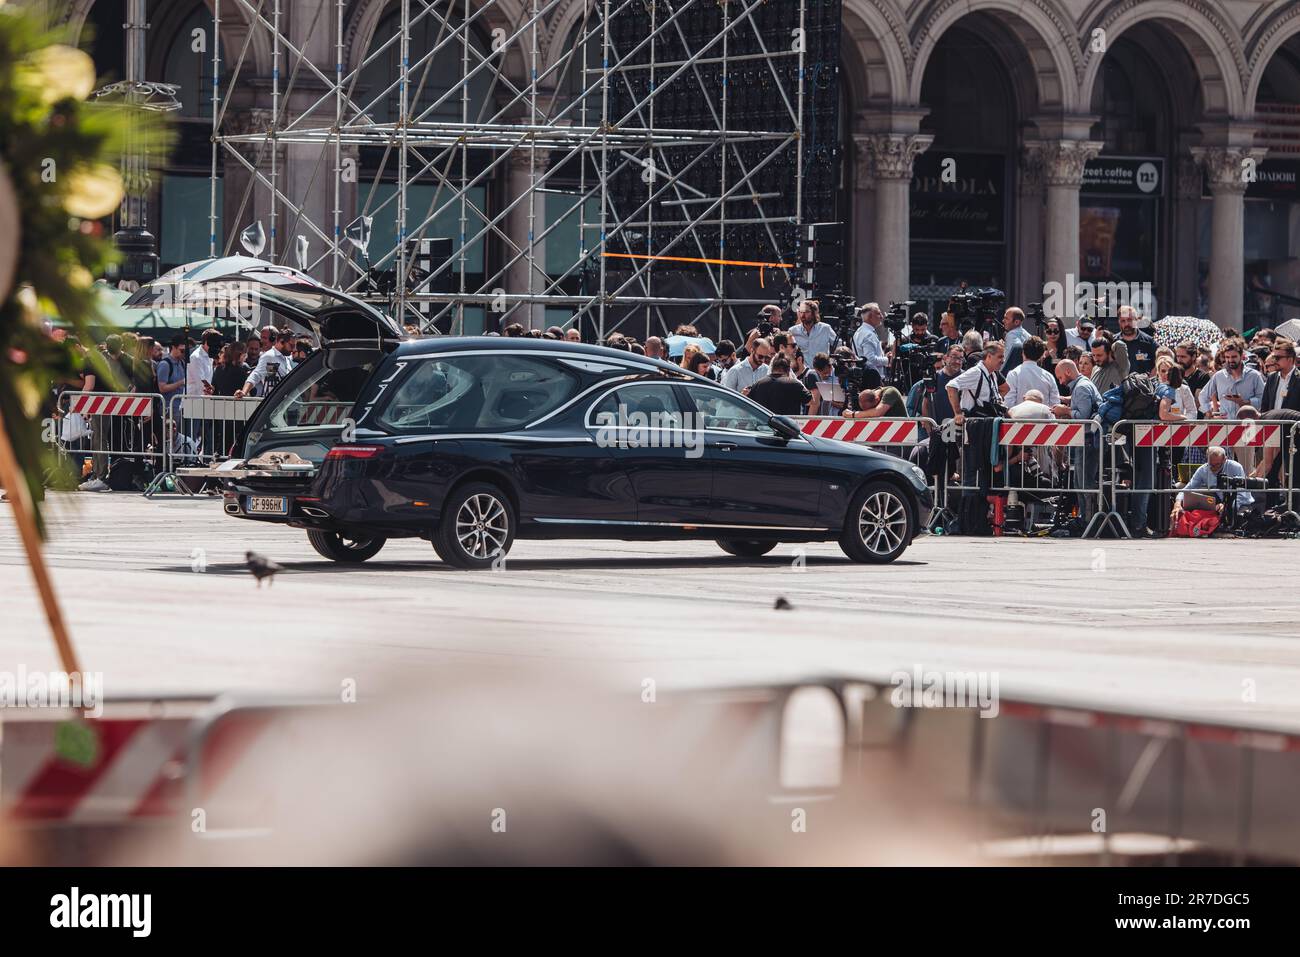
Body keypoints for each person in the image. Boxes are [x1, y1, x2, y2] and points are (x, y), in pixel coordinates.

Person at [1172, 446, 1253, 529]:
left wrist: (1227, 506)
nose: (1213, 468)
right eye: (1211, 464)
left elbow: (1242, 494)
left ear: (1225, 459)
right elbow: (1187, 489)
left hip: (1239, 502)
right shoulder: (1203, 469)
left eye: (1217, 464)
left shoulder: (1236, 467)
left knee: (1232, 512)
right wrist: (1178, 503)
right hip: (1218, 501)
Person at [1199, 338, 1264, 419]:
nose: (1230, 360)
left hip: (1247, 423)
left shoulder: (1254, 376)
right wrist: (1209, 413)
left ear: (1242, 356)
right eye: (1227, 357)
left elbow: (1263, 400)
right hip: (1225, 425)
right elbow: (1203, 396)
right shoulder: (1219, 376)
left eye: (1234, 357)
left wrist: (1245, 402)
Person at [235, 330, 296, 398]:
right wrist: (244, 392)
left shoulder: (286, 358)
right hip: (274, 403)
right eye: (291, 345)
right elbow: (256, 375)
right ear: (281, 341)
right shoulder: (269, 356)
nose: (293, 349)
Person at [744, 355, 810, 416]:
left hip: (763, 426)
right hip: (787, 426)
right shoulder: (795, 384)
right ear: (788, 370)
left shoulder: (758, 384)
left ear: (772, 368)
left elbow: (746, 406)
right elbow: (811, 401)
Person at [1003, 337, 1059, 409]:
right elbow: (1055, 404)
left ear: (1023, 352)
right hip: (1044, 418)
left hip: (1019, 418)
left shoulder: (1014, 374)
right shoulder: (1049, 377)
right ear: (1042, 355)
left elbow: (1008, 403)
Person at [851, 303, 888, 384]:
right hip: (872, 381)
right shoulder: (868, 334)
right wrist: (888, 360)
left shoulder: (859, 331)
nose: (882, 316)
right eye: (878, 313)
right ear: (870, 317)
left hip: (864, 377)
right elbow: (871, 360)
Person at [1262, 338, 1300, 413]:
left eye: (1277, 358)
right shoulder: (1271, 378)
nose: (1274, 361)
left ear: (1290, 359)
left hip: (1293, 424)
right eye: (1273, 357)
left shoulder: (1298, 379)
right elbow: (1264, 407)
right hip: (1272, 424)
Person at [1116, 305, 1157, 374]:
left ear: (1136, 320)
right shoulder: (1113, 342)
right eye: (1123, 321)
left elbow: (1163, 359)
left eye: (1129, 320)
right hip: (1119, 384)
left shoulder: (1149, 342)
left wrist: (1150, 379)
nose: (1126, 324)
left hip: (1143, 384)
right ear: (1119, 322)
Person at [804, 352, 843, 417]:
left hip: (838, 417)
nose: (822, 376)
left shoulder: (839, 375)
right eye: (819, 374)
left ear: (830, 366)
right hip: (822, 418)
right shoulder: (813, 376)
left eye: (825, 373)